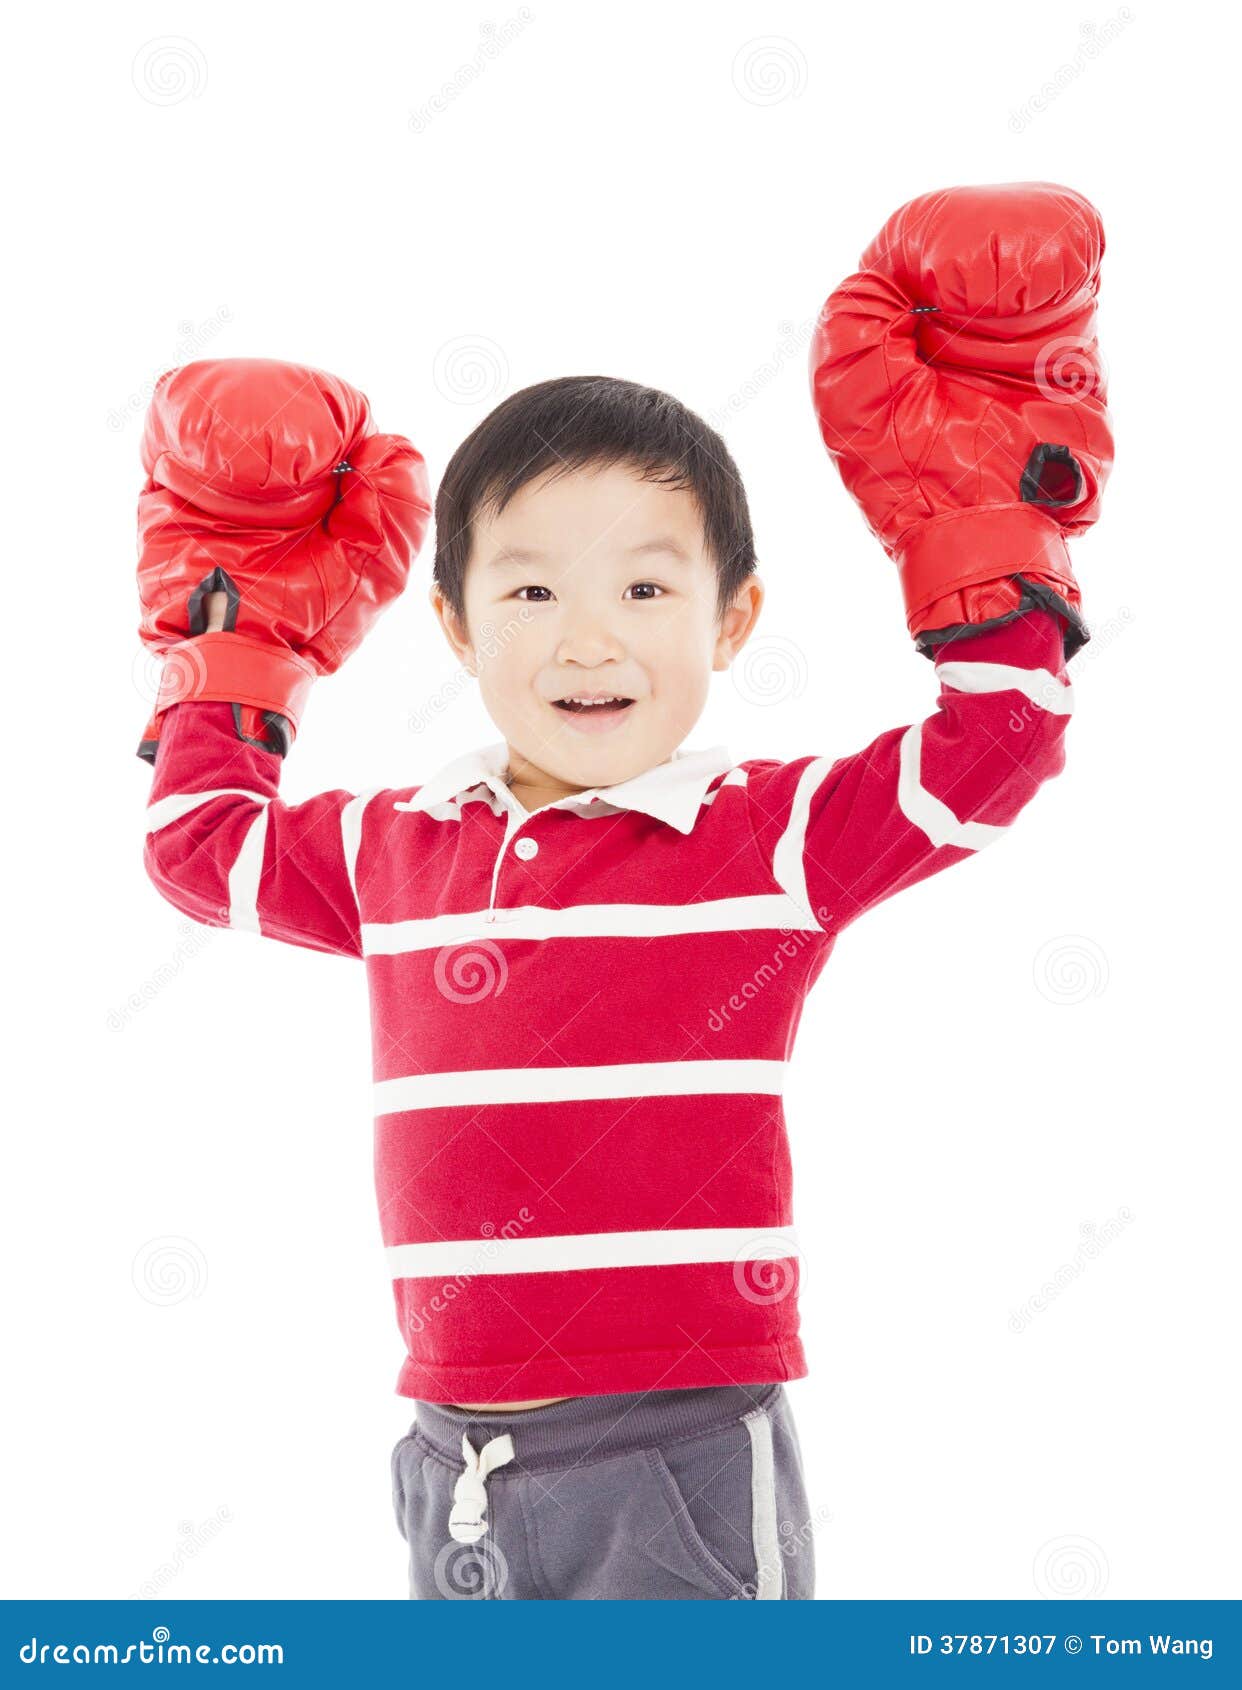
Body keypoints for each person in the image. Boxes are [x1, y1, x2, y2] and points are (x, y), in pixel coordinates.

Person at [135, 181, 1112, 1599]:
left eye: (645, 592)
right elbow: (197, 850)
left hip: (680, 1456)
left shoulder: (768, 836)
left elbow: (994, 747)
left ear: (733, 618)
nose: (588, 637)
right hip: (447, 1452)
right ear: (457, 625)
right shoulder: (395, 845)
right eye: (530, 594)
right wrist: (235, 630)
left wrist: (974, 524)